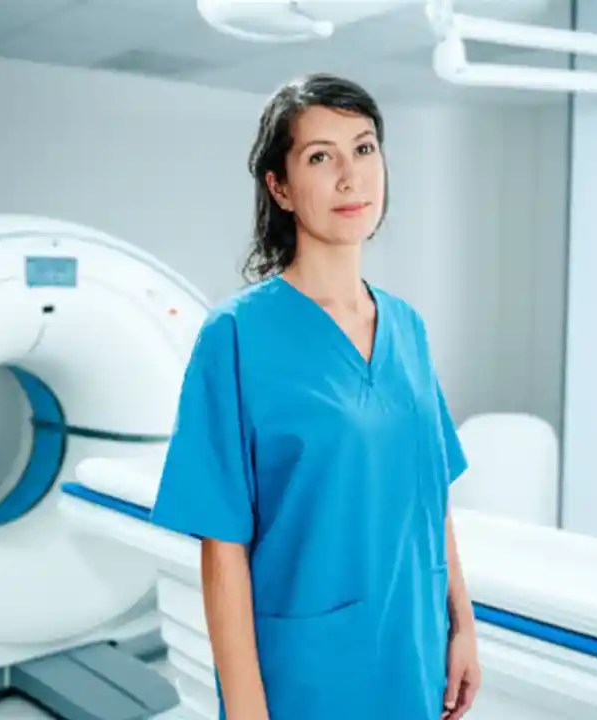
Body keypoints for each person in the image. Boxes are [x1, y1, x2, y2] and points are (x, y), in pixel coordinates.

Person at [148, 72, 481, 720]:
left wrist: (462, 625)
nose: (351, 177)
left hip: (414, 653)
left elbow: (431, 497)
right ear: (280, 188)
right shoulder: (236, 336)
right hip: (307, 671)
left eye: (364, 148)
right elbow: (223, 546)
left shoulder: (407, 327)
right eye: (321, 157)